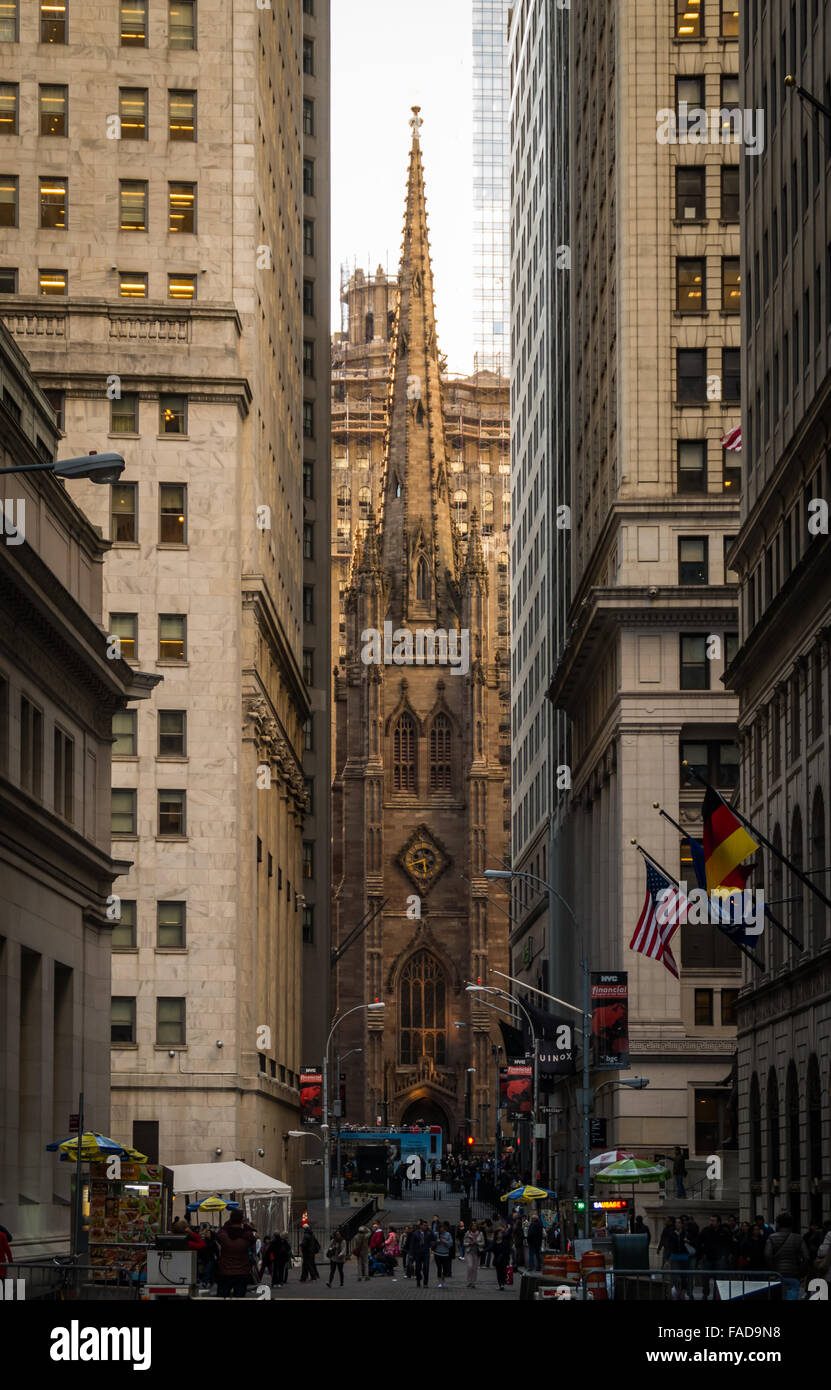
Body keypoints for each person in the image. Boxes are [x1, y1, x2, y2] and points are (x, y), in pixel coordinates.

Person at [764, 1212, 809, 1300]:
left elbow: (767, 1255)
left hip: (777, 1275)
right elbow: (806, 1257)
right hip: (794, 1275)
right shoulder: (798, 1238)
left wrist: (772, 1271)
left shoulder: (771, 1237)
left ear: (778, 1224)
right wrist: (801, 1273)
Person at [215, 1210, 256, 1299]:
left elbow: (220, 1232)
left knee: (221, 1297)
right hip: (241, 1272)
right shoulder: (247, 1237)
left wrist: (230, 1221)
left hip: (225, 1271)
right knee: (239, 1297)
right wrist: (245, 1225)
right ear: (242, 1220)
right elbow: (252, 1237)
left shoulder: (223, 1235)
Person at [697, 1215, 734, 1300]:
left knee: (719, 1279)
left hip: (720, 1259)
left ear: (718, 1222)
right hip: (708, 1258)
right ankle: (705, 1294)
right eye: (710, 1220)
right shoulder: (706, 1230)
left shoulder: (724, 1232)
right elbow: (699, 1242)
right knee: (705, 1278)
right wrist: (701, 1256)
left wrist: (725, 1256)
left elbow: (729, 1245)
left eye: (713, 1221)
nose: (711, 1222)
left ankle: (716, 1296)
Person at [410, 1219, 432, 1288]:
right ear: (421, 1226)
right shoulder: (415, 1233)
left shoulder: (429, 1233)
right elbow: (412, 1245)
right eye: (424, 1225)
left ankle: (425, 1283)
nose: (426, 1227)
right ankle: (418, 1280)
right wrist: (411, 1254)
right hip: (417, 1253)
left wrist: (431, 1245)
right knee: (417, 1268)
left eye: (426, 1225)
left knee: (426, 1268)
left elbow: (434, 1240)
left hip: (426, 1253)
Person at [464, 1221, 485, 1287]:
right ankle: (469, 1281)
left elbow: (483, 1243)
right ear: (471, 1227)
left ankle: (473, 1282)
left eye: (475, 1226)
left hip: (477, 1252)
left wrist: (477, 1243)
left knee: (475, 1268)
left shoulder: (480, 1234)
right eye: (473, 1226)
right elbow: (464, 1243)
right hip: (469, 1252)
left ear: (477, 1227)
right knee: (470, 1266)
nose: (474, 1227)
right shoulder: (467, 1233)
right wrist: (469, 1243)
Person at [434, 1221, 454, 1287]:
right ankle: (440, 1282)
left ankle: (443, 1279)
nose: (441, 1229)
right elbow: (432, 1243)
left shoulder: (448, 1234)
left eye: (442, 1228)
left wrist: (444, 1241)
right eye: (440, 1228)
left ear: (444, 1228)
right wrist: (437, 1242)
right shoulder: (436, 1234)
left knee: (445, 1269)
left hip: (445, 1254)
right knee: (439, 1268)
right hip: (437, 1254)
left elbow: (451, 1244)